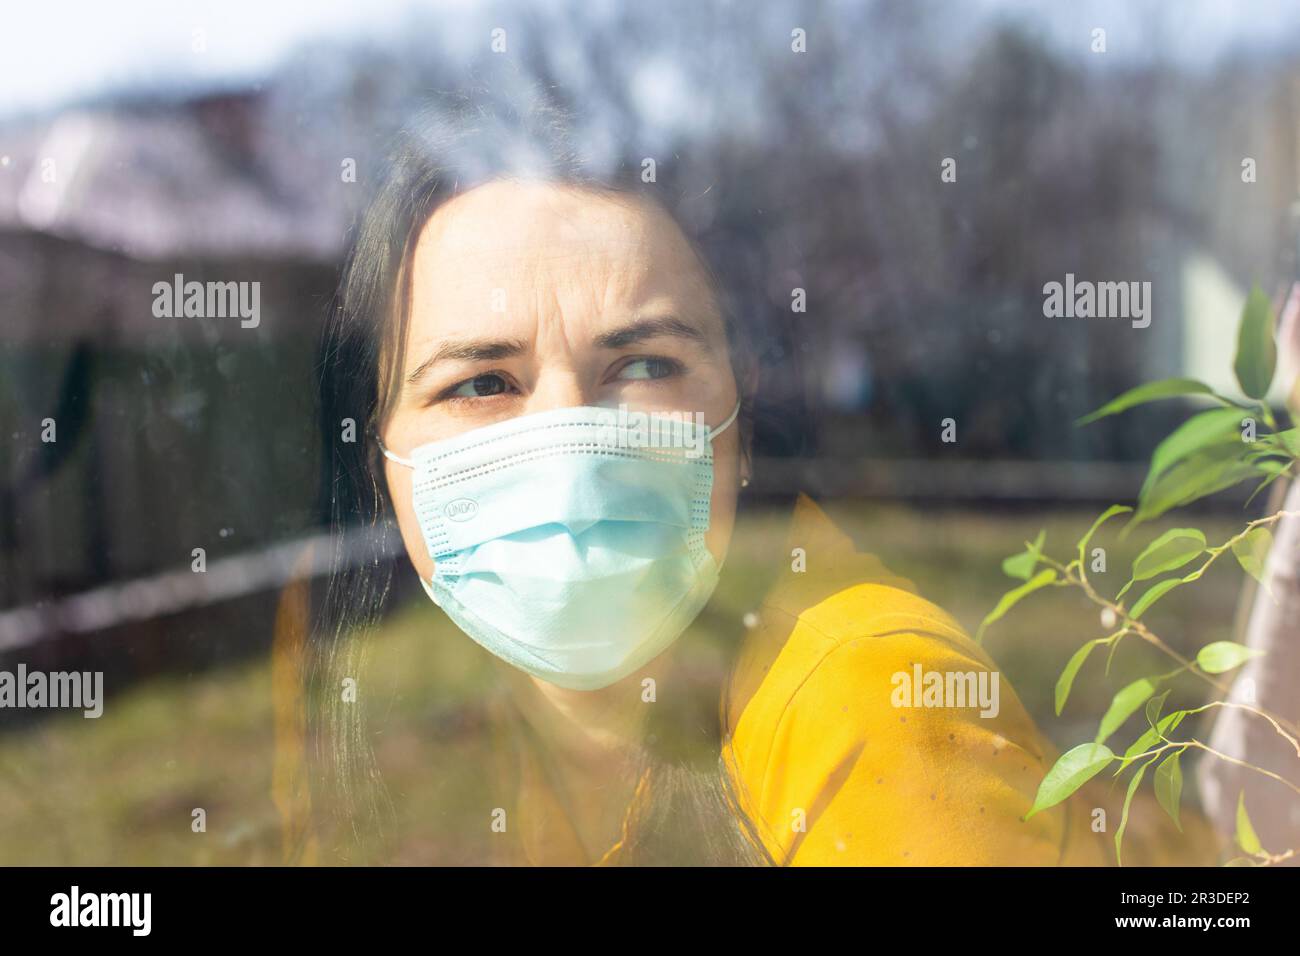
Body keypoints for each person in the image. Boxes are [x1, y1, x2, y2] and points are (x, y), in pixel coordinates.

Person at [272, 95, 1219, 866]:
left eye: (642, 366)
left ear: (743, 419)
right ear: (380, 454)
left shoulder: (875, 701)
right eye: (481, 384)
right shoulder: (428, 726)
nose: (567, 448)